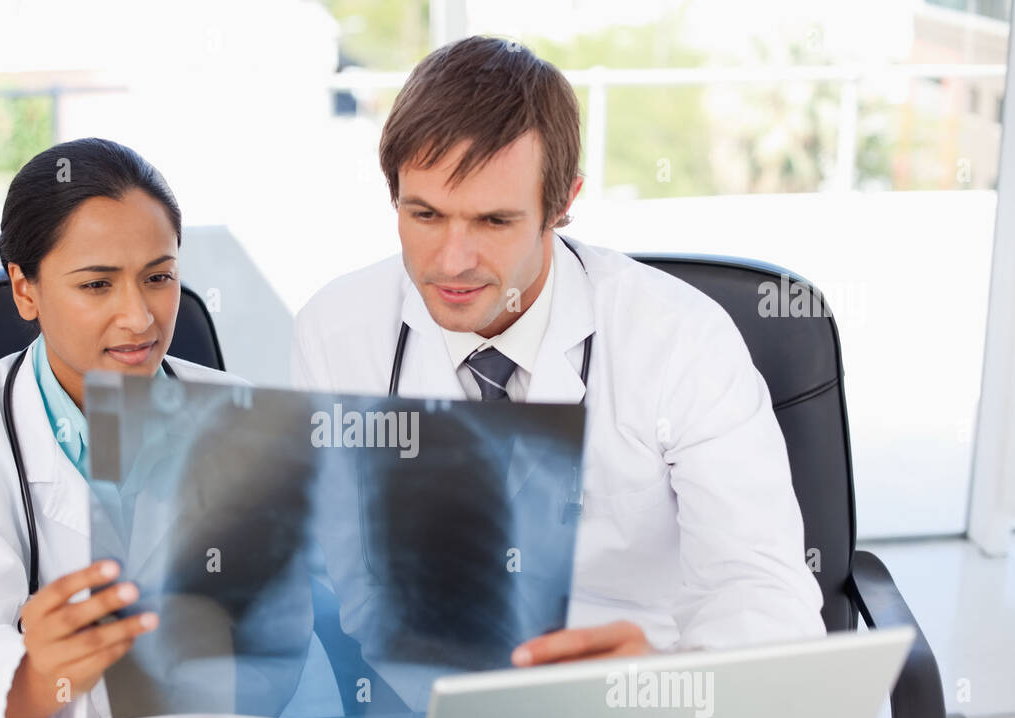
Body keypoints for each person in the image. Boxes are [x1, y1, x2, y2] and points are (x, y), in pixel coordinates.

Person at [291, 36, 825, 663]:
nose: (452, 262)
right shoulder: (335, 331)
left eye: (494, 221)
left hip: (636, 695)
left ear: (563, 203)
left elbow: (761, 590)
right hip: (417, 687)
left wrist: (671, 680)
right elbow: (336, 573)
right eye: (426, 215)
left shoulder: (681, 340)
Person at [0, 138, 242, 718]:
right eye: (97, 284)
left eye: (158, 277)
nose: (140, 318)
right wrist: (42, 674)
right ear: (26, 290)